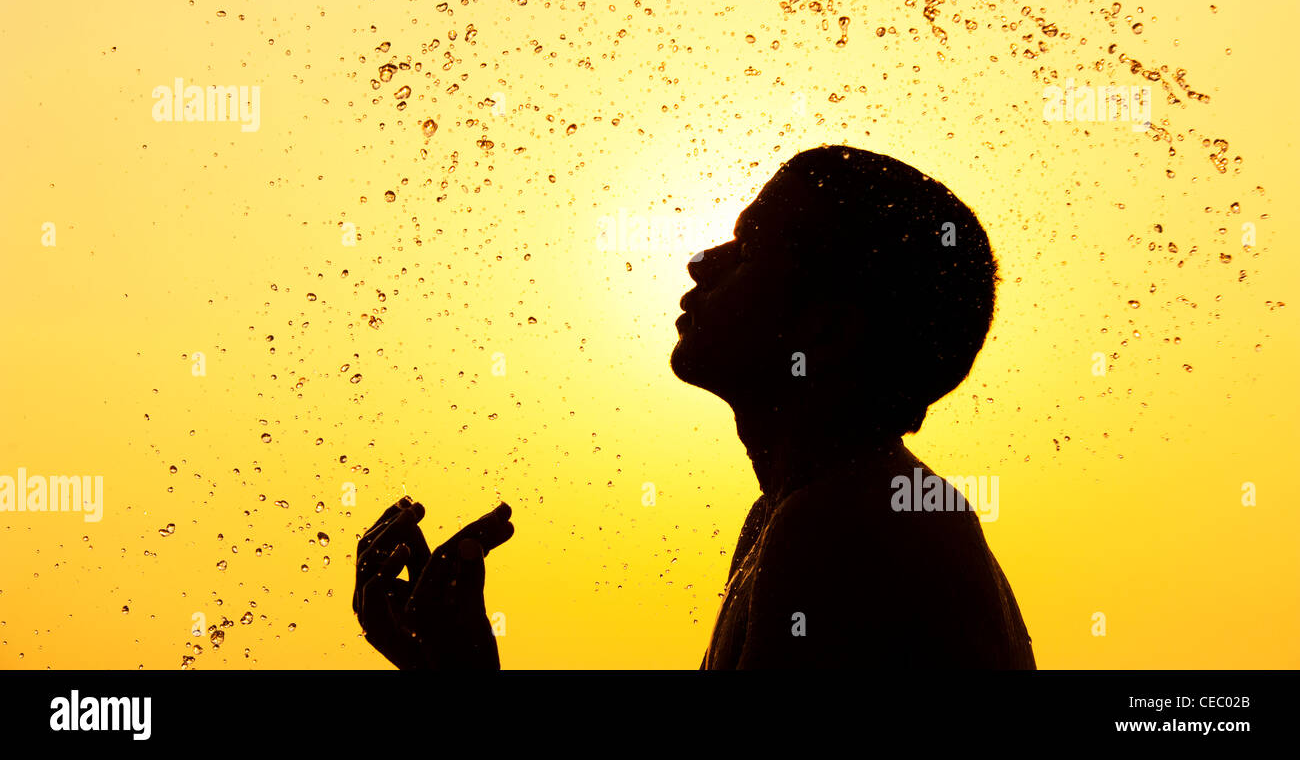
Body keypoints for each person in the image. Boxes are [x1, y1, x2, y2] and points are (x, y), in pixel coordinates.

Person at [353, 145, 1035, 669]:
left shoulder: (845, 529)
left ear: (826, 334)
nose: (701, 261)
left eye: (751, 248)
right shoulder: (802, 511)